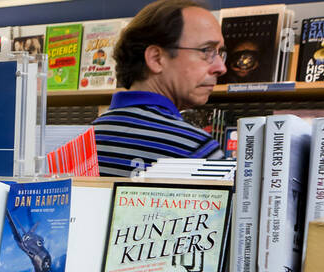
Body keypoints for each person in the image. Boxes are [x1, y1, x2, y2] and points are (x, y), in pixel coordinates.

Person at [92, 0, 227, 177]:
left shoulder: (80, 144)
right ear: (156, 59)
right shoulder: (197, 150)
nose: (221, 68)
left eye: (220, 53)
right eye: (206, 50)